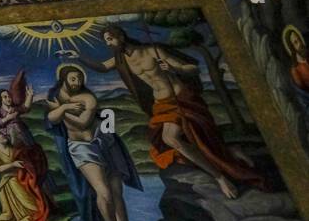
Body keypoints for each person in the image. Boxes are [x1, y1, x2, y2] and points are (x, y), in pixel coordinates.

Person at [62, 25, 268, 199]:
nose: (109, 44)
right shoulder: (120, 60)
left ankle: (220, 177)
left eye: (110, 39)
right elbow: (100, 67)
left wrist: (173, 68)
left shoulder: (153, 51)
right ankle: (232, 152)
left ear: (121, 36)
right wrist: (79, 56)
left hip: (180, 98)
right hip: (161, 104)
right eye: (106, 41)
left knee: (171, 139)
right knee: (193, 140)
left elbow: (192, 68)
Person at [43, 63, 141, 221]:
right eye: (73, 78)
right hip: (82, 148)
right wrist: (64, 108)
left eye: (80, 78)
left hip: (105, 144)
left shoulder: (88, 97)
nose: (77, 81)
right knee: (104, 193)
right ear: (64, 79)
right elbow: (50, 119)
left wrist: (60, 109)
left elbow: (83, 122)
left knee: (117, 192)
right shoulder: (56, 96)